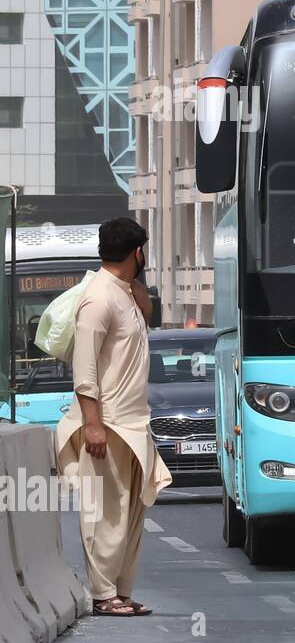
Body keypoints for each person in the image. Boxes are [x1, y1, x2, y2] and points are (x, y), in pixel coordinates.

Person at [55, 217, 172, 618]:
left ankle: (121, 591)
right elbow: (84, 370)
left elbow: (146, 313)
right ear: (138, 253)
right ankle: (103, 595)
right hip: (107, 425)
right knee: (104, 512)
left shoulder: (126, 292)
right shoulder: (98, 298)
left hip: (134, 425)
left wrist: (138, 291)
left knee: (131, 512)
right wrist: (93, 424)